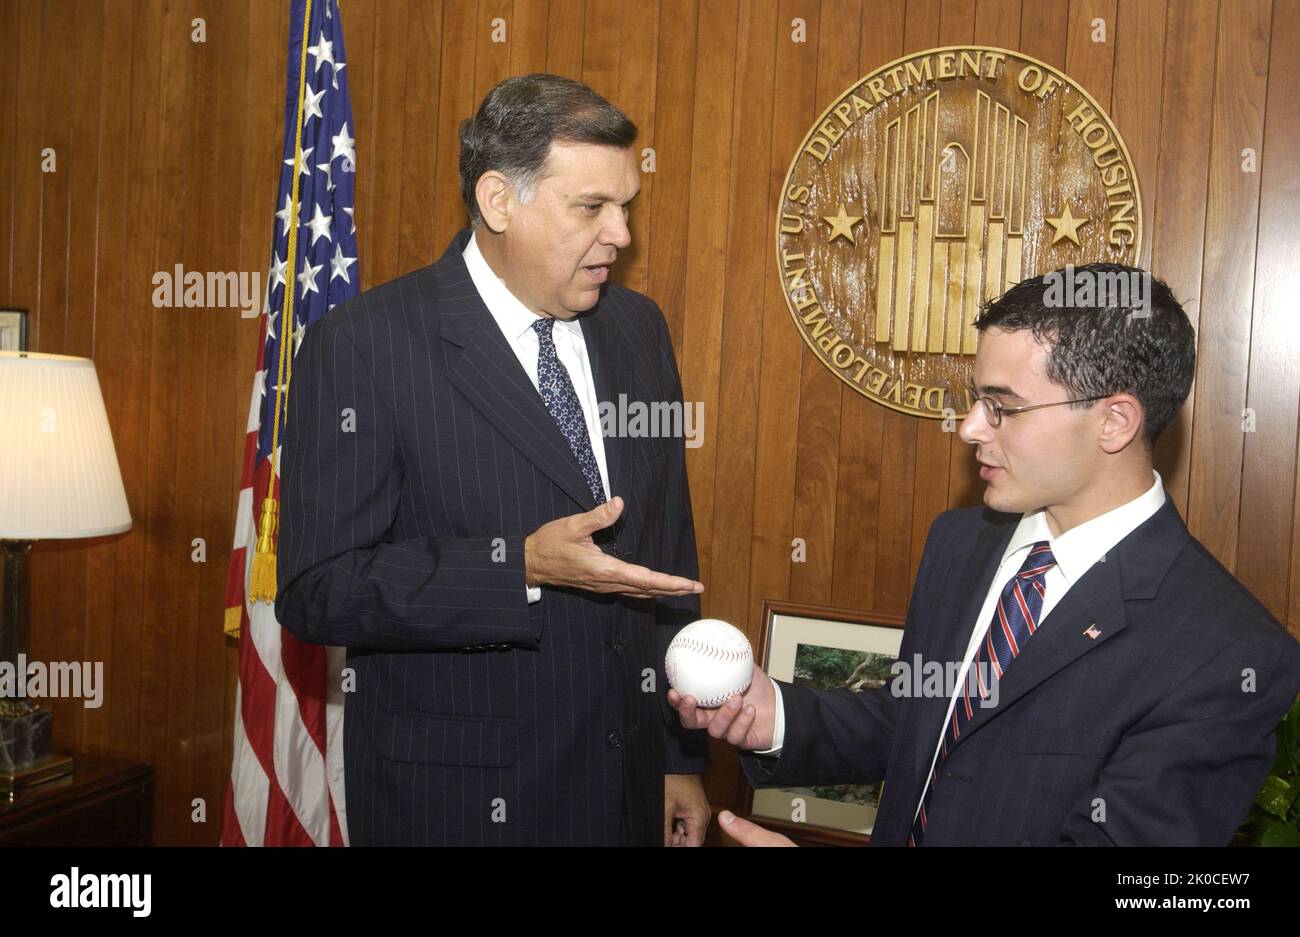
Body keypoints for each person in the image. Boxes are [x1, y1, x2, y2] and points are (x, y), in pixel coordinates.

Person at [672, 264, 1300, 846]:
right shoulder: (962, 541)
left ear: (1115, 421)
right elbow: (923, 721)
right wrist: (775, 716)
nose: (971, 427)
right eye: (976, 399)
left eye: (1004, 407)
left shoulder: (1228, 654)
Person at [277, 73, 711, 846]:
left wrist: (680, 755)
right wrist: (519, 567)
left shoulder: (638, 330)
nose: (621, 234)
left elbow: (668, 552)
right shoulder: (365, 345)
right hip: (460, 804)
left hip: (624, 790)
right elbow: (319, 590)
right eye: (592, 208)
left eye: (626, 206)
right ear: (499, 201)